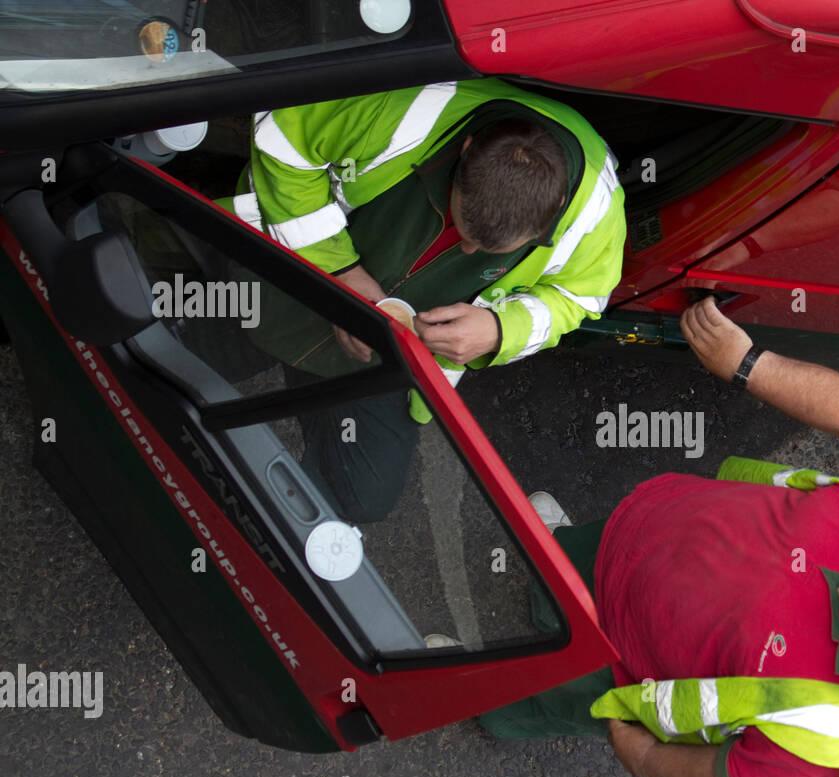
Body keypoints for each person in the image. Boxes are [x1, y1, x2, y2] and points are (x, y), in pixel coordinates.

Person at [481, 297, 839, 777]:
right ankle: (545, 579)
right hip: (635, 534)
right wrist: (750, 364)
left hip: (616, 665)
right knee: (557, 564)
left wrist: (644, 759)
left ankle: (472, 693)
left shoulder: (833, 733)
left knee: (538, 694)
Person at [223, 78, 626, 521]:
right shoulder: (405, 106)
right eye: (462, 228)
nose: (466, 252)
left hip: (388, 366)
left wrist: (498, 331)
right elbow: (282, 139)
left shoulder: (596, 212)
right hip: (281, 285)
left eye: (490, 251)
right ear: (466, 150)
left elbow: (581, 298)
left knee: (363, 497)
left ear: (560, 205)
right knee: (168, 361)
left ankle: (248, 519)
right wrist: (338, 270)